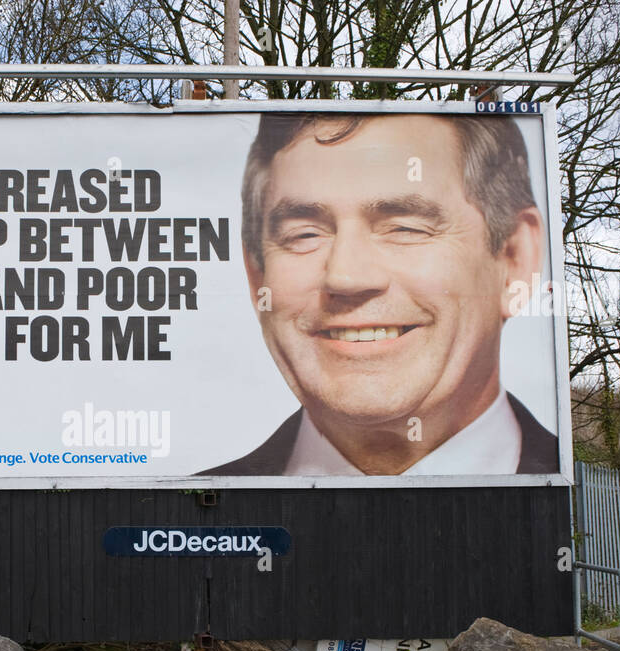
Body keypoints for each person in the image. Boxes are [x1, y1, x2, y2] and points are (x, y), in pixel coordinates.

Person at [202, 110, 558, 477]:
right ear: (255, 273)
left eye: (405, 228)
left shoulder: (571, 500)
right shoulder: (190, 517)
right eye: (304, 235)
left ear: (516, 258)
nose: (345, 277)